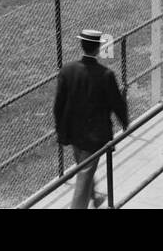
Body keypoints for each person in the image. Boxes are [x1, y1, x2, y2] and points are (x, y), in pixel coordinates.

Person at [53, 29, 129, 209]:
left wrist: (60, 129)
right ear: (98, 48)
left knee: (84, 168)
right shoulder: (105, 75)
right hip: (94, 137)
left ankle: (95, 197)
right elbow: (117, 104)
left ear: (82, 45)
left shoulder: (67, 70)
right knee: (85, 173)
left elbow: (58, 105)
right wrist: (125, 123)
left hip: (72, 133)